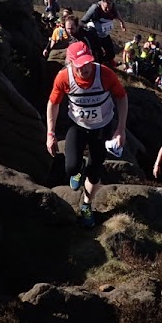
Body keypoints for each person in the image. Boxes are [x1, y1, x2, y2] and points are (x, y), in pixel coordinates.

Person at [46, 41, 129, 228]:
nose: (85, 68)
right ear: (71, 63)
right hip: (78, 125)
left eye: (88, 63)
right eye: (80, 65)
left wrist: (120, 129)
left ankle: (86, 205)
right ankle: (77, 171)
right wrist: (50, 133)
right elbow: (53, 103)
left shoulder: (105, 74)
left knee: (95, 171)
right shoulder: (63, 78)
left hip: (102, 128)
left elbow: (122, 97)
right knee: (70, 168)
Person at [80, 0, 126, 66]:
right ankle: (98, 64)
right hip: (95, 35)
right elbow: (82, 21)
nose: (107, 9)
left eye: (109, 7)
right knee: (98, 53)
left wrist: (122, 23)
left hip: (105, 34)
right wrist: (89, 28)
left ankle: (105, 63)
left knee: (111, 54)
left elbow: (116, 13)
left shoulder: (112, 7)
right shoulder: (94, 9)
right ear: (101, 3)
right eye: (105, 7)